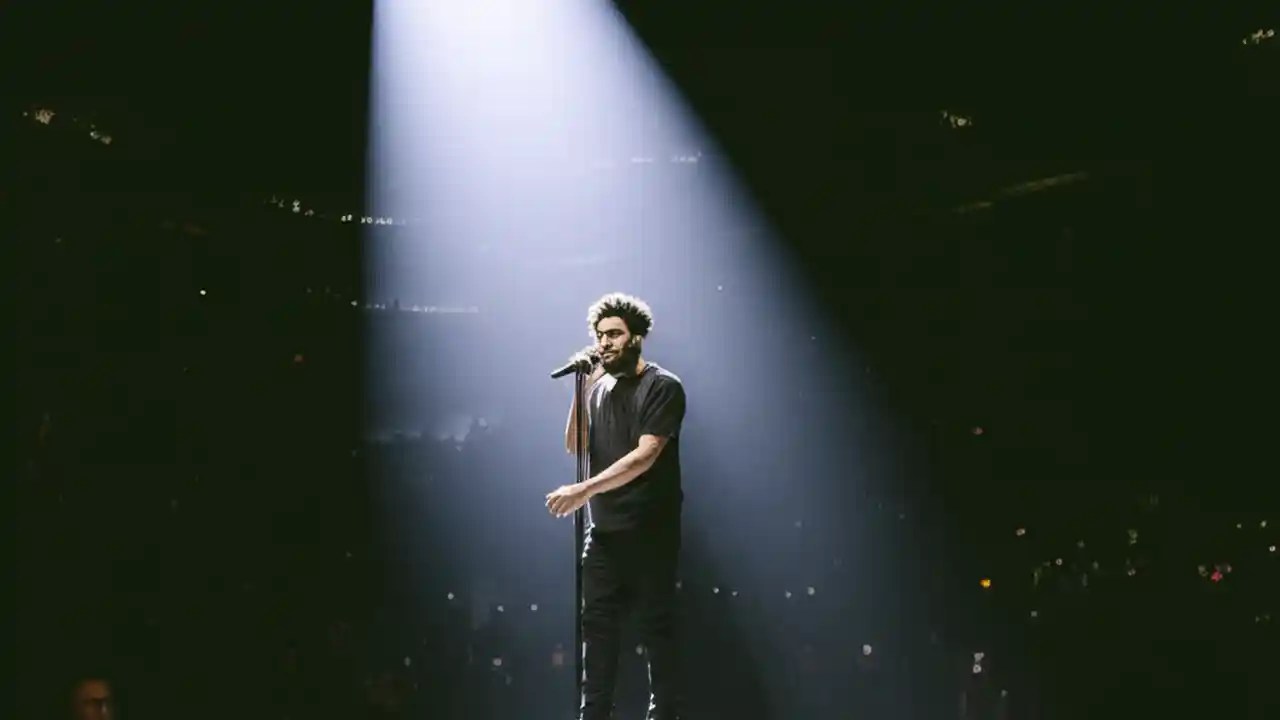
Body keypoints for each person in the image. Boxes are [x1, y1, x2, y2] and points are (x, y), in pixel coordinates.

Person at [546, 292, 687, 720]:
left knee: (656, 633)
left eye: (614, 334)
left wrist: (584, 490)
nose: (604, 342)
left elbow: (645, 456)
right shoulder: (598, 387)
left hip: (650, 531)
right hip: (603, 534)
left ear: (637, 337)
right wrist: (582, 389)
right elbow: (577, 444)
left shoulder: (663, 387)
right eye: (599, 335)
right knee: (597, 632)